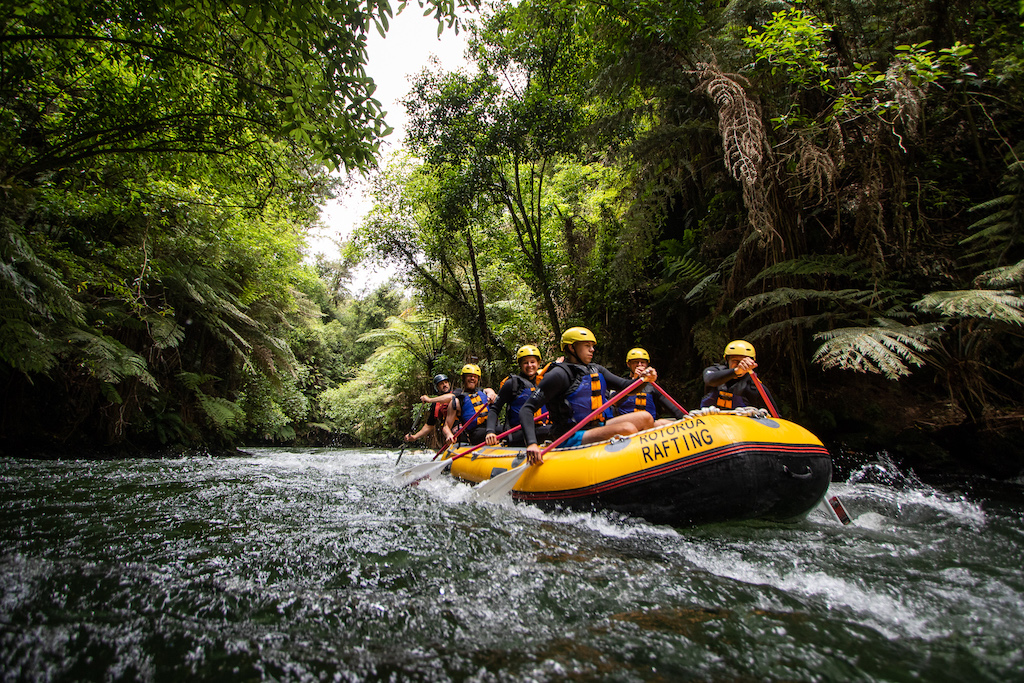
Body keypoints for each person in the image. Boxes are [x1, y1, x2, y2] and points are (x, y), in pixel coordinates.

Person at [519, 327, 657, 465]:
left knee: (645, 418)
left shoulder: (595, 369)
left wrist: (644, 379)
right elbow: (527, 409)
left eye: (592, 346)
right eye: (587, 346)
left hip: (597, 425)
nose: (592, 350)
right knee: (627, 429)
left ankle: (652, 465)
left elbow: (627, 387)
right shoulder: (558, 375)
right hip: (571, 434)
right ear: (571, 348)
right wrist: (531, 443)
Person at [484, 345, 552, 446]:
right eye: (525, 362)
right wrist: (490, 431)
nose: (529, 365)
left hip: (541, 428)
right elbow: (494, 409)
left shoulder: (545, 382)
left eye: (532, 362)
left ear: (538, 363)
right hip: (519, 432)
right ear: (520, 365)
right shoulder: (512, 384)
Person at [613, 347, 686, 427]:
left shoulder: (652, 387)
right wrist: (635, 380)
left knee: (661, 423)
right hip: (627, 426)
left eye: (643, 362)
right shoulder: (622, 384)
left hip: (648, 429)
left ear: (647, 365)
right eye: (635, 362)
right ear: (628, 364)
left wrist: (687, 418)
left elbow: (674, 409)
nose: (639, 365)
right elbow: (614, 402)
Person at [700, 340, 774, 410]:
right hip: (711, 420)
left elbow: (775, 416)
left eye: (744, 361)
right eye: (735, 361)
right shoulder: (714, 371)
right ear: (727, 361)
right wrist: (736, 371)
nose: (740, 365)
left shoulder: (754, 386)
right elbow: (710, 380)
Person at [442, 364, 494, 446]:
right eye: (469, 376)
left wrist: (492, 394)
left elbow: (493, 393)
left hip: (492, 428)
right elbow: (446, 426)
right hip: (476, 434)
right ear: (463, 378)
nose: (472, 378)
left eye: (475, 376)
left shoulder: (486, 393)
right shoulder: (457, 401)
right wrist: (449, 434)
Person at [404, 374, 454, 449]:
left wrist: (429, 400)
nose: (444, 385)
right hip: (447, 433)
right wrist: (415, 437)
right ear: (437, 387)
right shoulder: (435, 404)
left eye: (446, 382)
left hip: (460, 429)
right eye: (441, 383)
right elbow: (429, 425)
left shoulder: (457, 393)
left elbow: (451, 397)